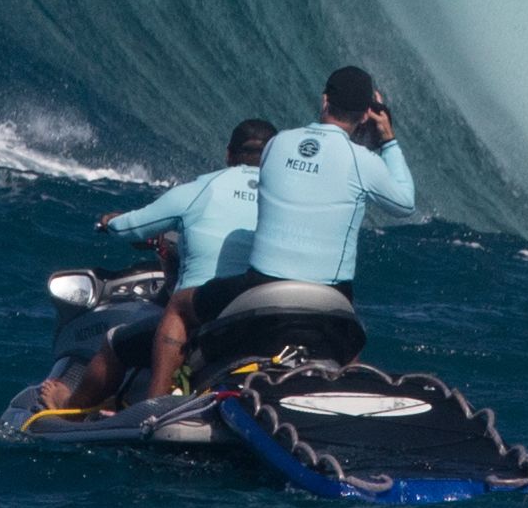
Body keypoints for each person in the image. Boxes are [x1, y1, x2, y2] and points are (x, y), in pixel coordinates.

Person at [35, 118, 275, 414]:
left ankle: (89, 407)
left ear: (228, 153)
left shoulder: (203, 189)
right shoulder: (283, 200)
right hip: (265, 315)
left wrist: (110, 222)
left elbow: (132, 227)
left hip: (207, 316)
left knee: (115, 343)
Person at [238, 65, 414, 299]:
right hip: (328, 295)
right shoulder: (363, 161)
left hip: (259, 286)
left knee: (182, 305)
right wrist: (388, 140)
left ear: (325, 100)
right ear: (365, 115)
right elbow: (405, 204)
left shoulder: (277, 142)